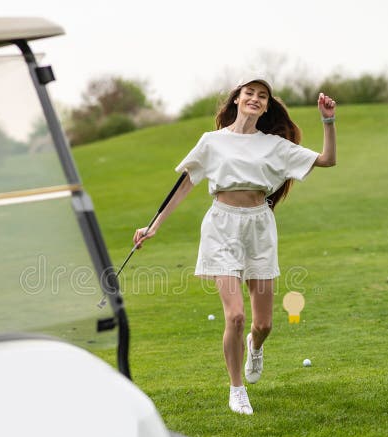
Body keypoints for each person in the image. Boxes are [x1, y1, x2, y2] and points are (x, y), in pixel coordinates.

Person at [133, 76, 337, 415]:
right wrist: (152, 226)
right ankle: (237, 389)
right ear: (237, 100)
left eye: (262, 96)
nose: (255, 98)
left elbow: (327, 159)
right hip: (221, 227)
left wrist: (328, 120)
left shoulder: (274, 145)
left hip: (259, 227)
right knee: (236, 315)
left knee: (263, 325)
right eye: (249, 93)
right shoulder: (212, 142)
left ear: (267, 106)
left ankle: (254, 348)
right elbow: (184, 185)